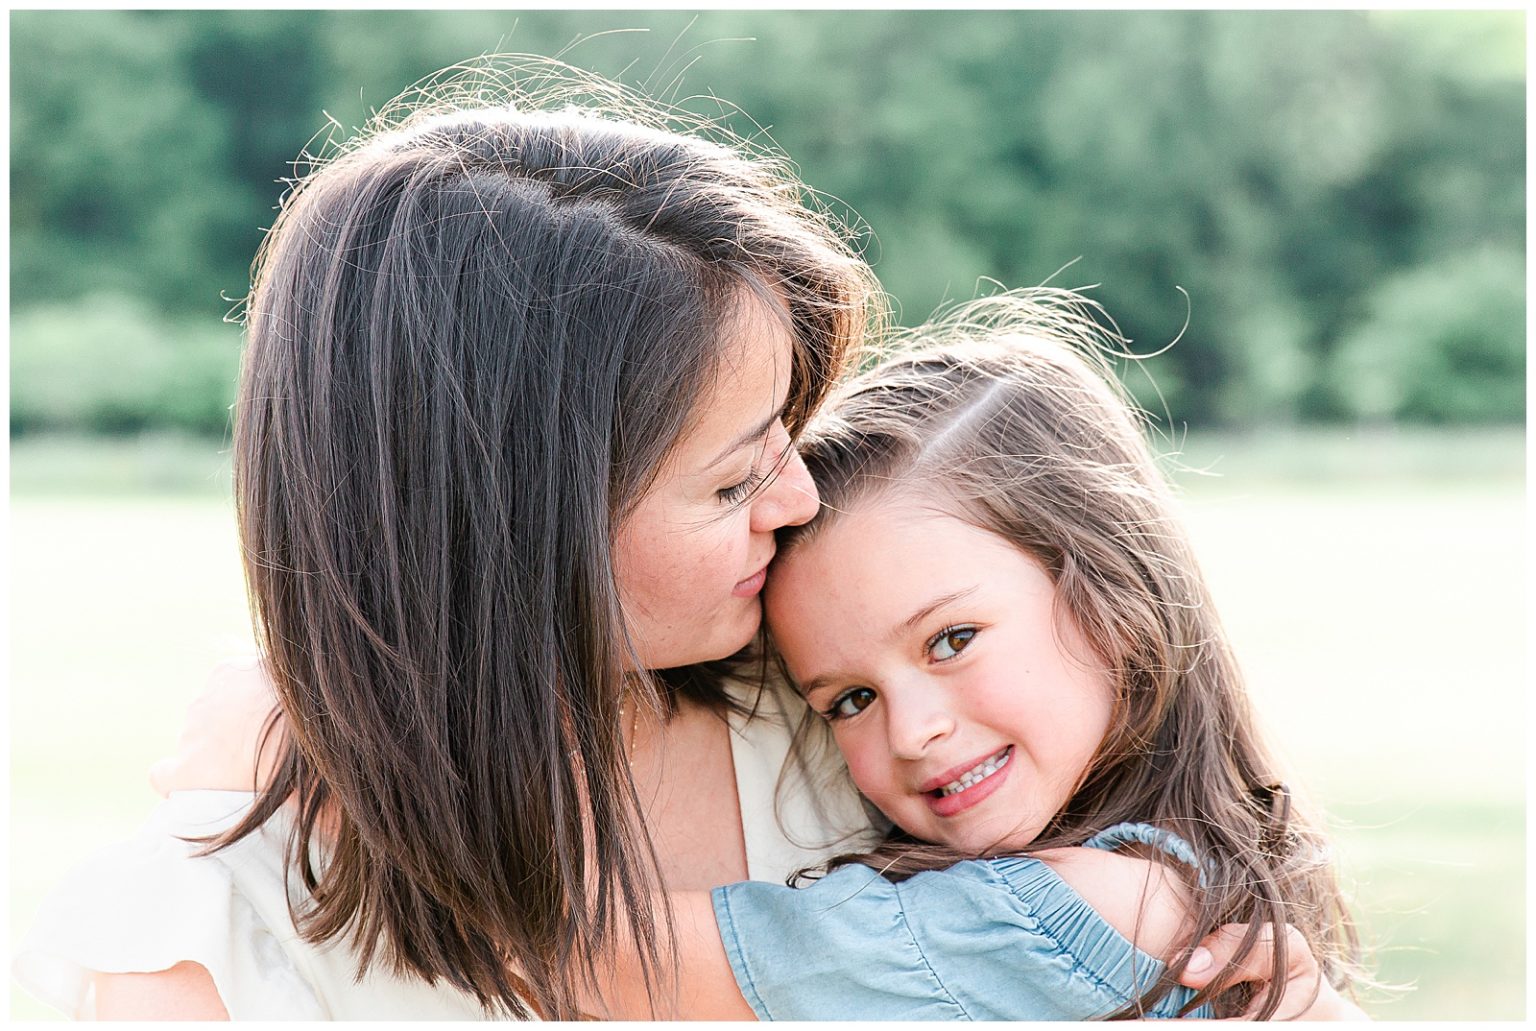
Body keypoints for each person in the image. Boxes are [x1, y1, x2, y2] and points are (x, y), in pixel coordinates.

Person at [14, 65, 1355, 1022]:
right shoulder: (201, 916)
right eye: (727, 481)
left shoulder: (859, 743)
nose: (794, 502)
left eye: (788, 429)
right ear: (523, 531)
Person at [521, 290, 1369, 1020]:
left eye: (950, 640)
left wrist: (529, 651)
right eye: (849, 698)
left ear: (1114, 591)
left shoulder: (1103, 907)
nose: (913, 731)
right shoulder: (1197, 868)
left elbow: (604, 958)